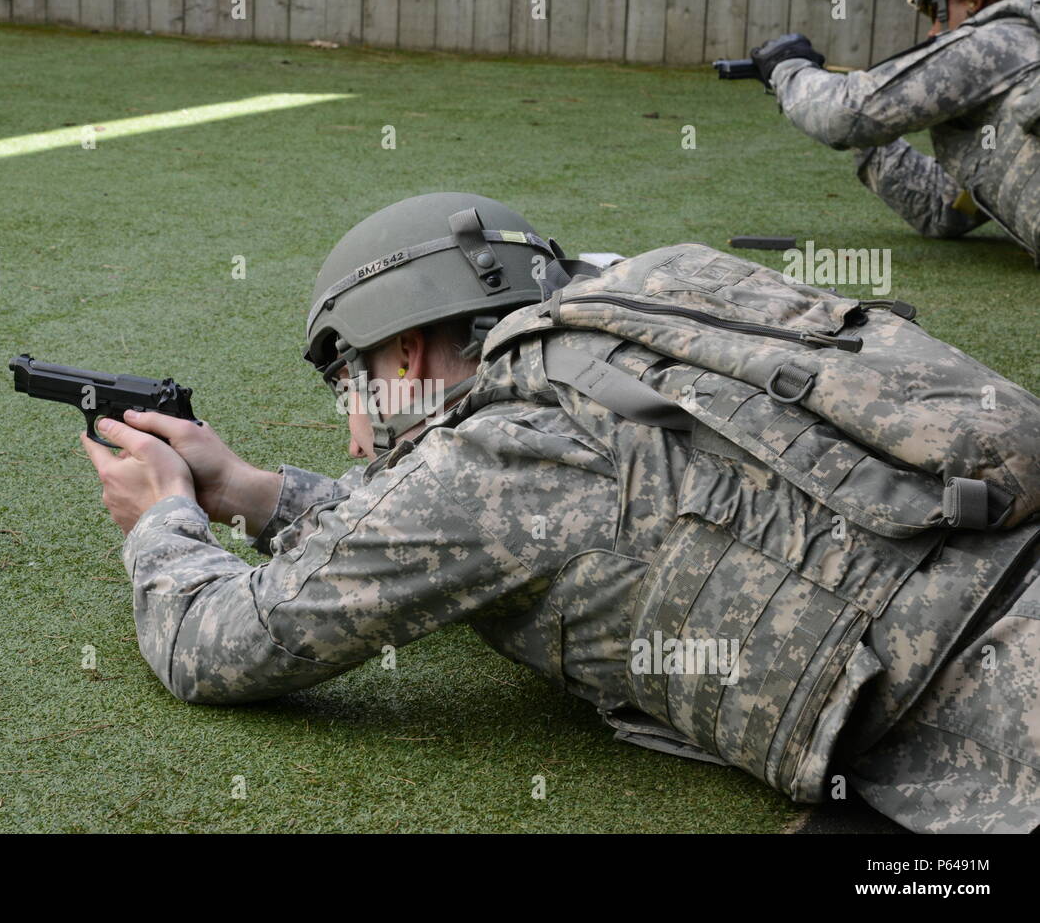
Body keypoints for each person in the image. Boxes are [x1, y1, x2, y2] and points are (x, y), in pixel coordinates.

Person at [80, 192, 1040, 833]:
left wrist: (163, 516)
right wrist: (256, 493)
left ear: (405, 355)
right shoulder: (641, 309)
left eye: (352, 381)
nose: (357, 425)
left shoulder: (497, 451)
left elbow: (215, 646)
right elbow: (486, 524)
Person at [749, 0, 1040, 264]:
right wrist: (876, 135)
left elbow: (843, 115)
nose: (932, 31)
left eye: (932, 9)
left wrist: (787, 67)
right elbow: (945, 207)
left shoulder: (1002, 41)